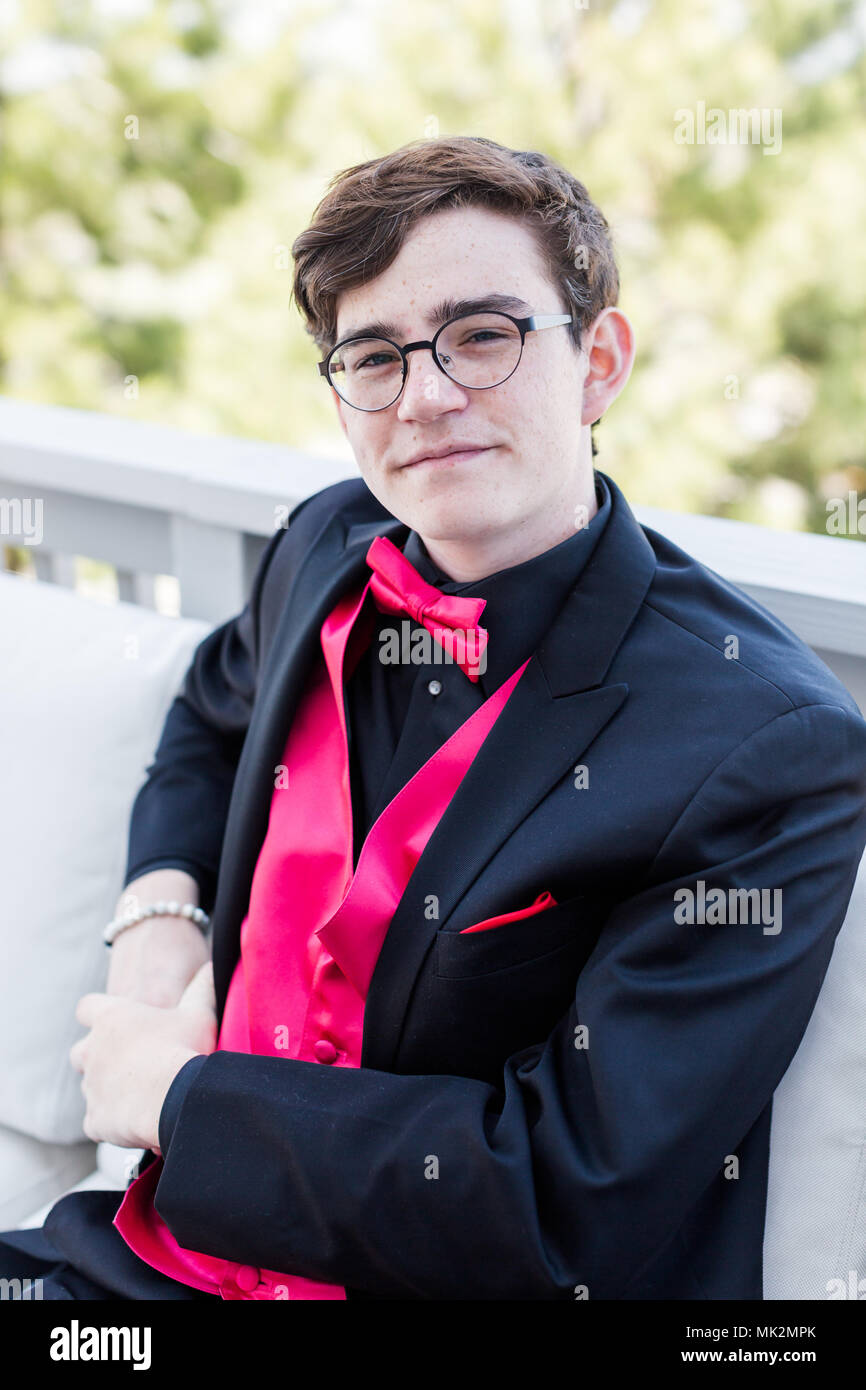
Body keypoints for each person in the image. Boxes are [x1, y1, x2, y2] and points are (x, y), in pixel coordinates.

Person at [3, 134, 865, 1300]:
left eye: (481, 335)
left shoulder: (767, 745)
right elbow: (207, 716)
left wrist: (174, 1097)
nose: (426, 396)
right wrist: (158, 912)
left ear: (598, 359)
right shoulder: (321, 544)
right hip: (158, 1258)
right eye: (373, 354)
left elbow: (567, 1197)